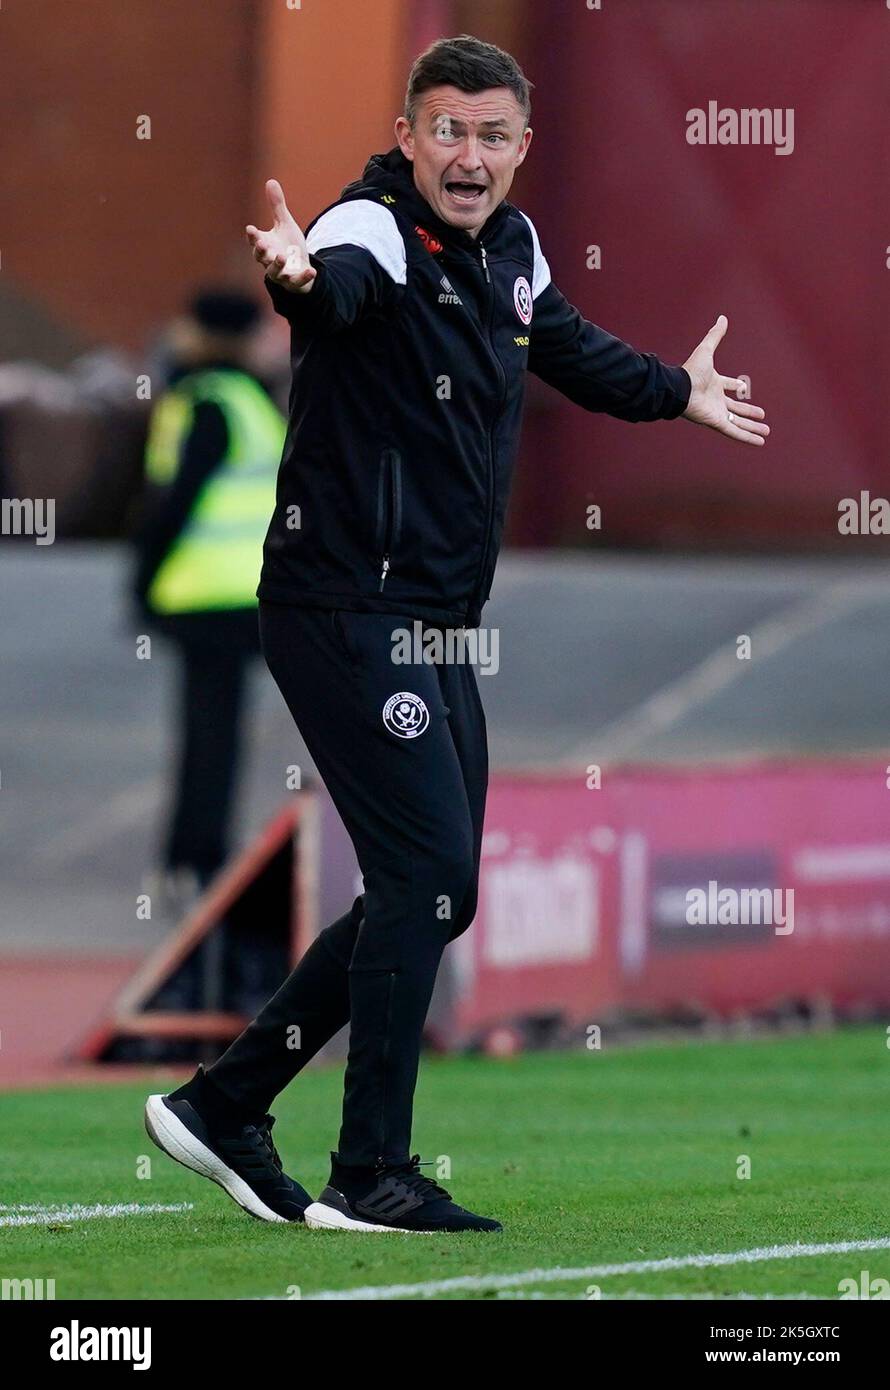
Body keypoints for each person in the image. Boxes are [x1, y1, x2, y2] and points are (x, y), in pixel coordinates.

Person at [144, 35, 769, 1234]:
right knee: (424, 876)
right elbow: (335, 287)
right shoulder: (368, 230)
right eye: (446, 131)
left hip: (434, 623)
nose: (466, 156)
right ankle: (368, 1170)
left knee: (435, 893)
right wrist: (295, 278)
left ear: (519, 147)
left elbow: (570, 349)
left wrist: (673, 392)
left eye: (490, 136)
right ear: (406, 133)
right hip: (341, 606)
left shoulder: (515, 252)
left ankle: (227, 1104)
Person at [132, 290, 286, 895]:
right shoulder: (251, 401)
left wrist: (143, 581)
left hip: (203, 595)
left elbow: (171, 505)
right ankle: (197, 858)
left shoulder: (204, 401)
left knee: (206, 736)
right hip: (244, 595)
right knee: (217, 734)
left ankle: (194, 859)